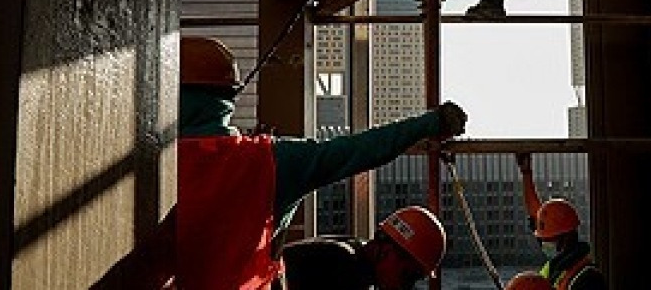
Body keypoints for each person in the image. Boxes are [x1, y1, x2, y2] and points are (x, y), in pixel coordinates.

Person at [99, 36, 468, 290]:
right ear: (228, 95)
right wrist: (431, 123)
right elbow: (357, 151)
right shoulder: (266, 162)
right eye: (408, 278)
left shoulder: (123, 159)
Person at [279, 205, 447, 290]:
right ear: (387, 252)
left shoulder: (352, 255)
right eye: (408, 276)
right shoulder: (342, 265)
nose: (404, 288)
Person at [516, 153, 607, 290]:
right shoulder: (557, 266)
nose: (544, 244)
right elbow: (536, 215)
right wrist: (526, 173)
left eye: (548, 240)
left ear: (566, 237)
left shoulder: (587, 278)